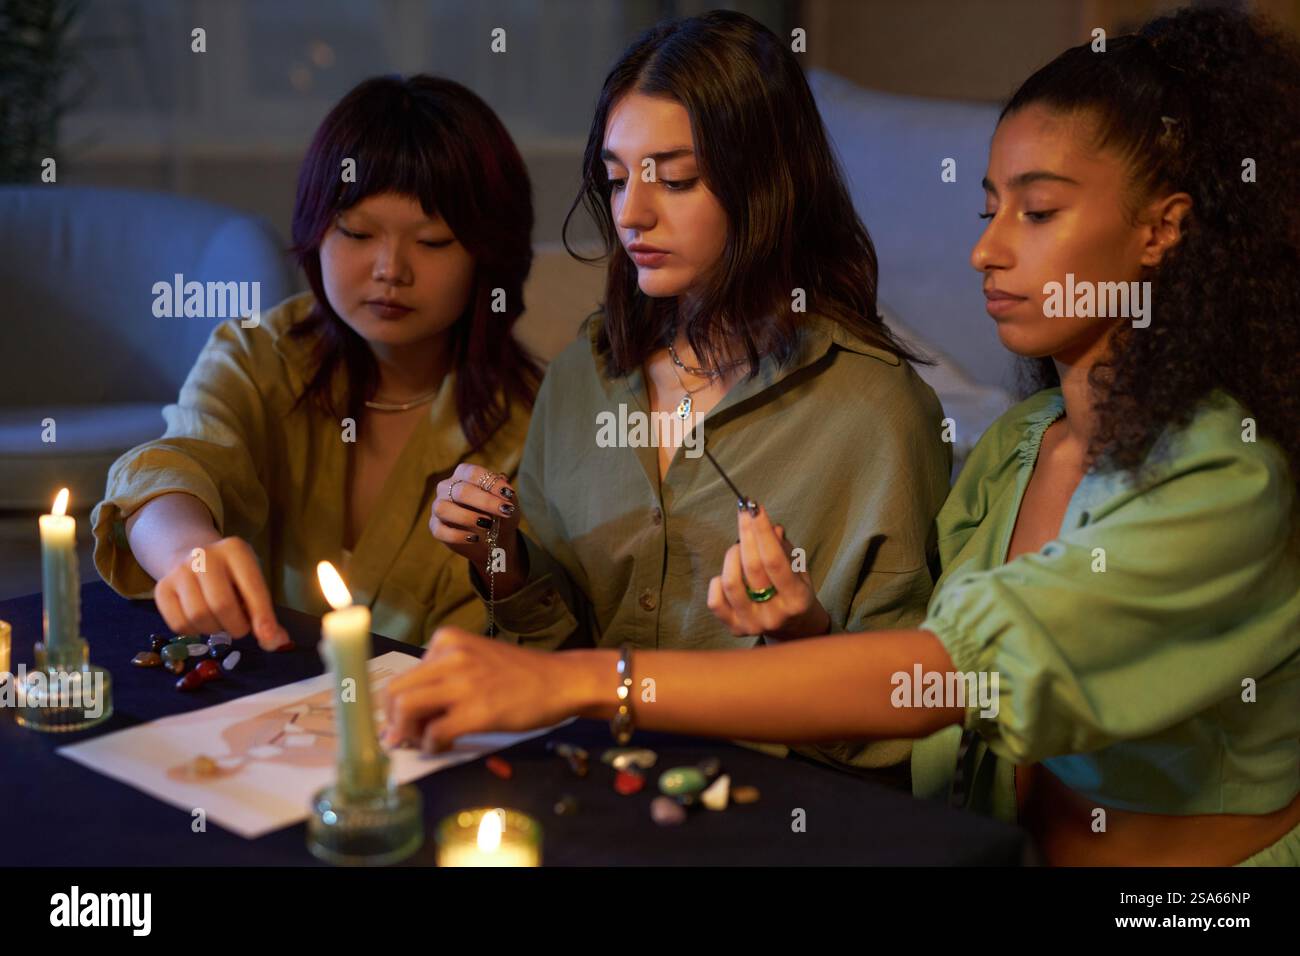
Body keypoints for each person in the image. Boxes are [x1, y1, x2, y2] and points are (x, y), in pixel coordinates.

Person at [387, 7, 1300, 865]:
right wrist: (806, 633)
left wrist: (587, 683)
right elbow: (932, 715)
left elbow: (957, 675)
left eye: (1039, 210)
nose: (984, 249)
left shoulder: (1224, 477)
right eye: (989, 209)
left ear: (1162, 231)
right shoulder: (1018, 448)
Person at [425, 10, 952, 776]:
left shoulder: (878, 415)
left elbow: (909, 728)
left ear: (767, 185)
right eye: (614, 179)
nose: (632, 214)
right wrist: (500, 558)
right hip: (587, 786)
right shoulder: (585, 375)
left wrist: (801, 638)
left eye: (674, 179)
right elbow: (553, 664)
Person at [92, 75, 538, 648]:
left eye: (431, 242)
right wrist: (186, 551)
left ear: (488, 254)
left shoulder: (530, 424)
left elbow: (531, 640)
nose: (389, 269)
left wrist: (501, 562)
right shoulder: (262, 354)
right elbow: (172, 464)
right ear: (315, 229)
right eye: (356, 231)